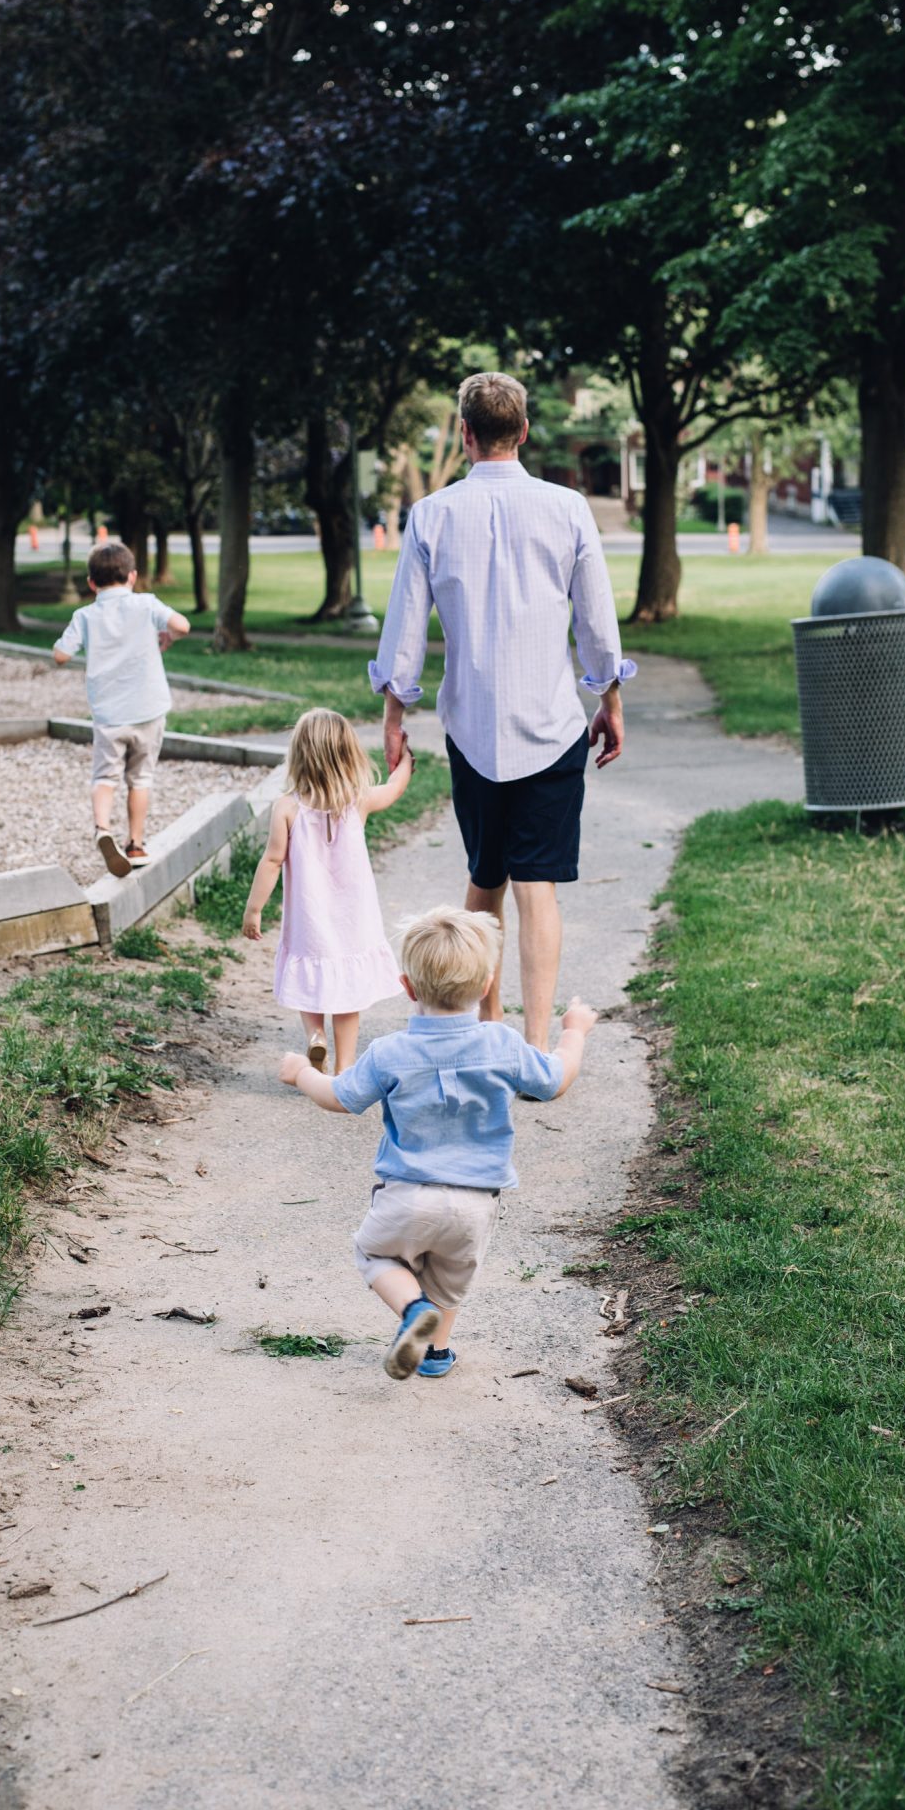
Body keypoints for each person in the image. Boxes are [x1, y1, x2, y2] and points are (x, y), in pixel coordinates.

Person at [371, 370, 635, 1048]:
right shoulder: (567, 507)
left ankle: (475, 1034)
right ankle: (537, 1046)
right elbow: (597, 622)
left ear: (464, 435)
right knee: (536, 885)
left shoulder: (431, 514)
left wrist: (395, 714)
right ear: (521, 432)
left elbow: (405, 625)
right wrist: (608, 697)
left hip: (471, 728)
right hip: (550, 726)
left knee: (484, 876)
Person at [280, 905, 596, 1380]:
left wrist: (303, 1073)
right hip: (475, 1204)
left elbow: (341, 1097)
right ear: (487, 985)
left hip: (407, 1196)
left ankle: (411, 1311)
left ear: (406, 987)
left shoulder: (390, 1052)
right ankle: (434, 1354)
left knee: (376, 1255)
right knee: (446, 1288)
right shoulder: (502, 1043)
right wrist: (573, 1032)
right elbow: (555, 1081)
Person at [244, 708, 411, 1072]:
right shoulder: (358, 800)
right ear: (347, 754)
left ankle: (316, 1037)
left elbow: (271, 861)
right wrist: (405, 760)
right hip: (354, 919)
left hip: (309, 918)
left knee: (311, 979)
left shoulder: (287, 807)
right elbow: (396, 789)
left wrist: (254, 909)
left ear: (299, 755)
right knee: (348, 994)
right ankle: (345, 1067)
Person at [52, 540, 190, 876]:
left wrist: (63, 645)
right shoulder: (146, 604)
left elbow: (61, 655)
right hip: (148, 709)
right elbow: (182, 625)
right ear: (133, 576)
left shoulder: (84, 615)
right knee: (141, 778)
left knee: (105, 776)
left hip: (110, 715)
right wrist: (168, 637)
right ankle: (136, 844)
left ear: (91, 583)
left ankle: (102, 829)